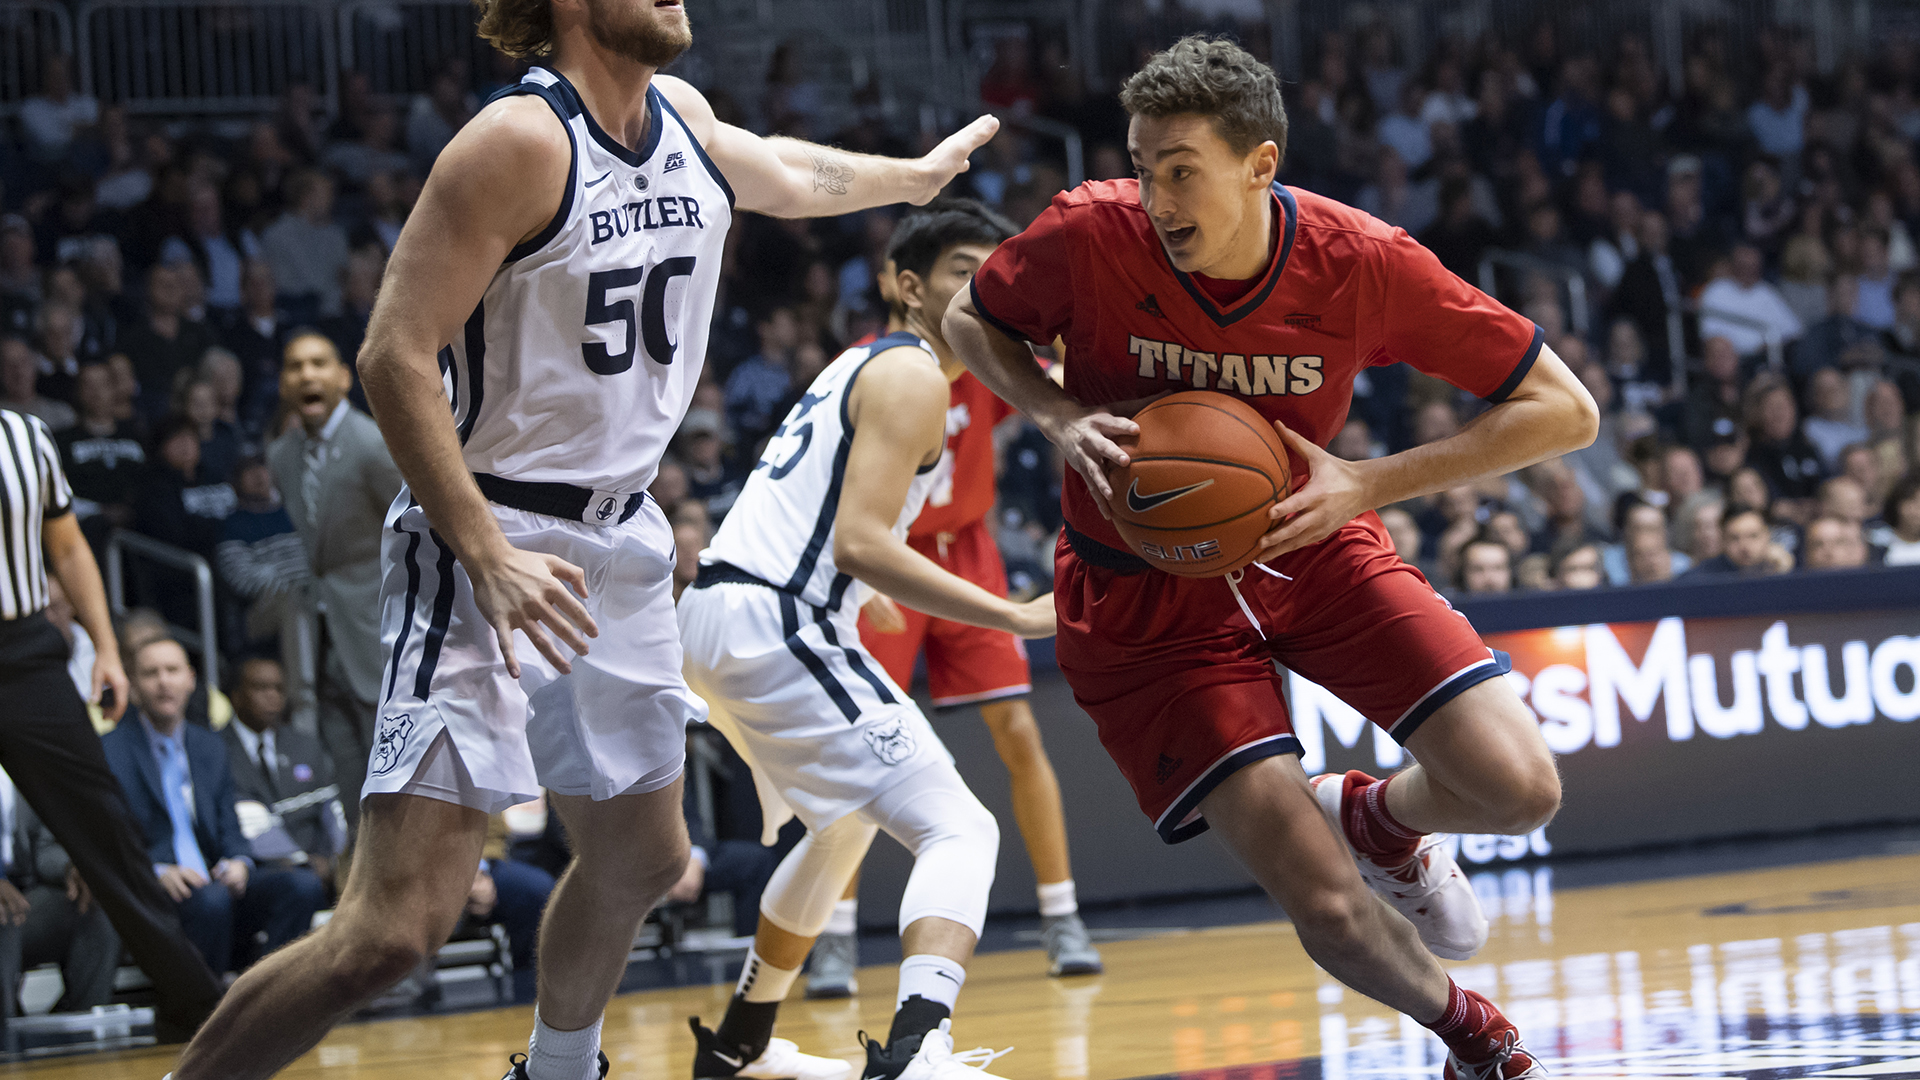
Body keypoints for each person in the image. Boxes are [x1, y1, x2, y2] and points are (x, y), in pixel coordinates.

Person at [163, 0, 998, 1073]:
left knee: (645, 857)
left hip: (620, 538)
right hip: (488, 535)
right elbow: (391, 355)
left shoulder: (682, 116)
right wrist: (484, 549)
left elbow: (785, 175)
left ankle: (558, 1070)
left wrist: (911, 178)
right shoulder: (516, 141)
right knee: (393, 931)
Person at [945, 37, 1597, 1080]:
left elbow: (1565, 410)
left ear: (1259, 164)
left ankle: (1380, 818)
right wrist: (1056, 414)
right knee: (1328, 909)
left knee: (1519, 787)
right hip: (1141, 597)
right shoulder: (1091, 232)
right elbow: (968, 316)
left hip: (1311, 540)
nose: (1156, 194)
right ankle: (1476, 1035)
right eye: (1144, 164)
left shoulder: (1361, 259)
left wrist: (1368, 482)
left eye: (1181, 168)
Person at [680, 199, 1052, 1080]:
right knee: (960, 828)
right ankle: (918, 1050)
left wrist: (857, 593)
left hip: (730, 614)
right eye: (968, 269)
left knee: (839, 826)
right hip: (774, 618)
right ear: (909, 287)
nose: (988, 288)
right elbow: (860, 541)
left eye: (1000, 274)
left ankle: (741, 1042)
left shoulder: (865, 364)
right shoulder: (914, 375)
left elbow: (824, 523)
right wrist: (1013, 614)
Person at [0, 407, 223, 1042]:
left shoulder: (24, 435)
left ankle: (196, 1002)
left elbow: (67, 544)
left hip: (22, 653)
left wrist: (104, 645)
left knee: (107, 834)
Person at [102, 638, 327, 976]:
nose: (164, 681)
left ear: (191, 680)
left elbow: (229, 824)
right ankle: (207, 1005)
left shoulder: (209, 746)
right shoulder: (111, 750)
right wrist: (158, 871)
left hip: (213, 880)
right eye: (151, 673)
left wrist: (238, 860)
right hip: (154, 888)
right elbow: (110, 836)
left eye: (173, 670)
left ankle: (268, 987)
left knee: (302, 886)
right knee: (212, 901)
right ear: (133, 686)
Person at [265, 332, 403, 837]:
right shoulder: (282, 454)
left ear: (344, 377)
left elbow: (420, 530)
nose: (306, 375)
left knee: (392, 781)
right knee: (350, 781)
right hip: (321, 638)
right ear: (283, 383)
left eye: (319, 363)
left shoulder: (373, 443)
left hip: (378, 632)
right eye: (295, 365)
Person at [0, 769, 122, 1017]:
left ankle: (85, 1039)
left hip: (30, 897)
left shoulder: (24, 757)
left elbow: (46, 849)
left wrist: (71, 868)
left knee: (93, 910)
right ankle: (7, 1046)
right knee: (4, 925)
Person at [219, 658, 346, 886]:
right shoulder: (216, 749)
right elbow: (248, 820)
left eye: (279, 689)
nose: (272, 696)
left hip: (319, 867)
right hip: (258, 869)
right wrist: (302, 863)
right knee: (301, 886)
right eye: (260, 688)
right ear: (236, 696)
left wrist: (331, 859)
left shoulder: (305, 745)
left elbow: (331, 811)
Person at [1685, 504, 1793, 576]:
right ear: (1723, 541)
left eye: (1753, 536)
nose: (1744, 546)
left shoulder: (1783, 567)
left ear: (1767, 535)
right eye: (1734, 538)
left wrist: (1783, 574)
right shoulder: (1701, 578)